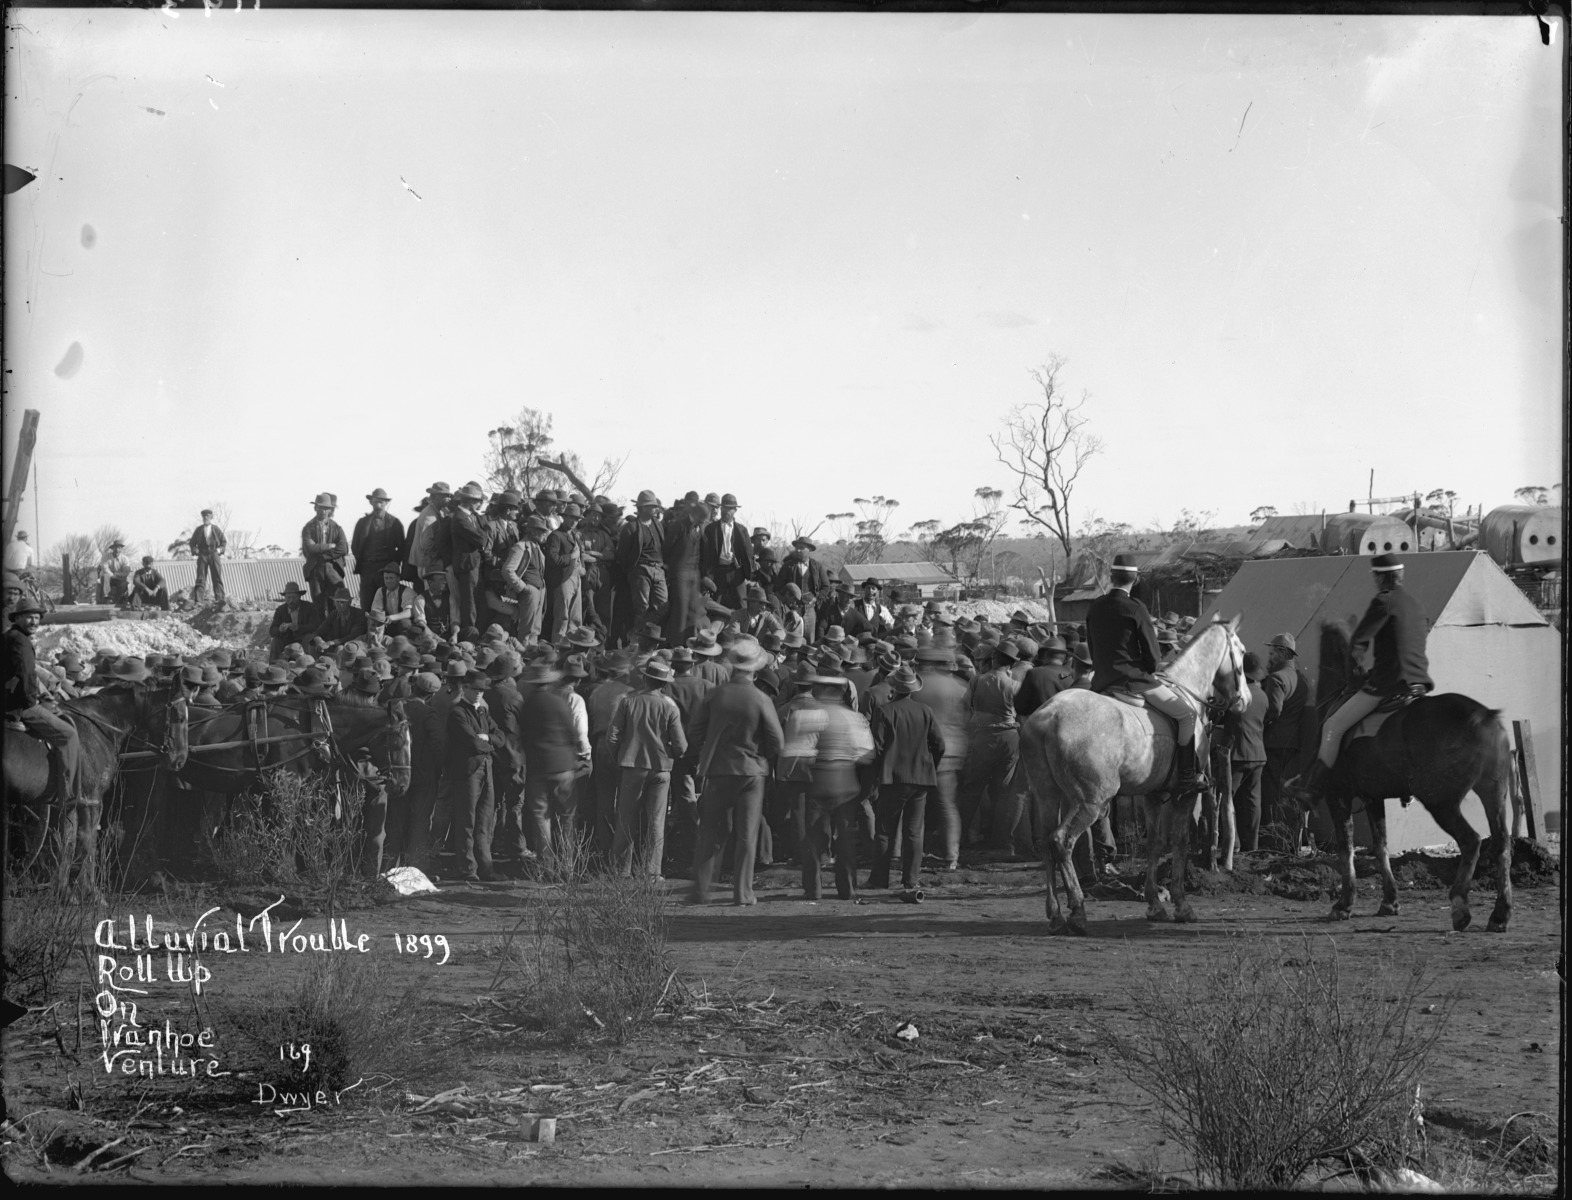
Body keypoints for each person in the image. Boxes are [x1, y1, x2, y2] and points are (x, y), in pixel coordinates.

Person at [1294, 553, 1433, 801]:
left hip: (1388, 685)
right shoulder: (1416, 604)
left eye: (1375, 577)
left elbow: (1358, 644)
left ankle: (1313, 787)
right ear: (1400, 575)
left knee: (1332, 726)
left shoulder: (1383, 601)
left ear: (1380, 578)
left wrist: (1357, 676)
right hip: (1419, 684)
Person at [1086, 553, 1204, 794]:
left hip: (1101, 681)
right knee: (1188, 714)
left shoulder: (1095, 606)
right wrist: (1149, 670)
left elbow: (1091, 646)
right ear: (1136, 579)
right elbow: (1152, 657)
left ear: (1111, 576)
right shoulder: (1136, 608)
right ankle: (1187, 776)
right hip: (1133, 682)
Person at [687, 636, 784, 906]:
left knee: (710, 831)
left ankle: (700, 890)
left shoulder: (714, 695)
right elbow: (777, 742)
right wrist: (760, 754)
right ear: (755, 669)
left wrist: (707, 750)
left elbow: (694, 732)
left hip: (718, 770)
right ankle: (742, 893)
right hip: (751, 771)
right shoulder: (761, 699)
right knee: (746, 835)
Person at [606, 657, 688, 877]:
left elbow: (612, 737)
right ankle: (652, 872)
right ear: (664, 684)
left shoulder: (628, 702)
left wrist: (620, 757)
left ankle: (621, 870)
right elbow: (681, 746)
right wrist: (669, 755)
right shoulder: (669, 707)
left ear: (645, 679)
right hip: (661, 768)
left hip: (633, 765)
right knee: (656, 822)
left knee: (626, 819)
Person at [798, 672, 876, 901]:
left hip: (819, 779)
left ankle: (813, 888)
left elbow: (797, 750)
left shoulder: (810, 716)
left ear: (821, 691)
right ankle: (847, 887)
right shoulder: (854, 718)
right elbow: (867, 754)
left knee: (814, 837)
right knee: (846, 838)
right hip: (845, 781)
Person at [867, 663, 945, 893]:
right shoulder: (925, 711)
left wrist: (874, 777)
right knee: (913, 831)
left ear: (894, 687)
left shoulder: (884, 711)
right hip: (920, 778)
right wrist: (929, 766)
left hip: (893, 778)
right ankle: (910, 880)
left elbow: (877, 748)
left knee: (884, 831)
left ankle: (879, 879)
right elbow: (939, 745)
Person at [4, 597, 81, 807]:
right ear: (17, 618)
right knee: (69, 735)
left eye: (37, 618)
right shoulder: (21, 641)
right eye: (29, 617)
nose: (34, 622)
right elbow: (26, 675)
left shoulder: (9, 637)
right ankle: (69, 794)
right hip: (20, 706)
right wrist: (33, 701)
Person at [518, 659, 581, 861]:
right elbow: (573, 733)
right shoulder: (560, 702)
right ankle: (567, 863)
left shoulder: (528, 704)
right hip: (563, 765)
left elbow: (523, 735)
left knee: (540, 815)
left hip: (538, 765)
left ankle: (546, 863)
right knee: (566, 815)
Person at [445, 668, 501, 882]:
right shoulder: (457, 712)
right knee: (467, 820)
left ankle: (485, 867)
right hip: (468, 771)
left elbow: (501, 737)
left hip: (485, 768)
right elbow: (473, 743)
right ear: (465, 688)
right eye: (475, 689)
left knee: (484, 820)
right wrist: (490, 742)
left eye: (482, 690)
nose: (479, 693)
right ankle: (468, 868)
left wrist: (487, 738)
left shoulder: (482, 711)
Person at [1261, 632, 1315, 845]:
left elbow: (1273, 710)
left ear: (1283, 653)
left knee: (1272, 792)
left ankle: (1275, 839)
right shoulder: (1301, 678)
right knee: (1286, 793)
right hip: (1292, 744)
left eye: (1272, 653)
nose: (1269, 657)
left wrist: (1258, 723)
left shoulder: (1276, 678)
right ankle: (1290, 839)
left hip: (1274, 743)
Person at [1228, 652, 1270, 852]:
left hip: (1238, 753)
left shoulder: (1237, 695)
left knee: (1227, 798)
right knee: (1253, 801)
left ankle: (1233, 843)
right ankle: (1251, 846)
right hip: (1258, 754)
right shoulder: (1263, 696)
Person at [617, 490, 668, 642]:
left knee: (663, 606)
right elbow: (622, 555)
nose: (656, 509)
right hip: (641, 570)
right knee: (641, 608)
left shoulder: (657, 525)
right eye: (652, 506)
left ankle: (638, 633)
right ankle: (637, 642)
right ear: (643, 508)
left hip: (658, 569)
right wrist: (633, 571)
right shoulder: (631, 527)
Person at [351, 488, 407, 612]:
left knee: (387, 601)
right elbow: (355, 546)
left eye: (381, 501)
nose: (378, 504)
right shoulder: (362, 523)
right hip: (367, 569)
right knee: (366, 602)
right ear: (371, 502)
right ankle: (367, 624)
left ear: (386, 503)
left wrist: (393, 564)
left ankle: (388, 624)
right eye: (376, 501)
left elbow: (402, 547)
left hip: (385, 568)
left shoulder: (394, 523)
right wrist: (364, 561)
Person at [446, 482, 488, 641]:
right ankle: (469, 637)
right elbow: (481, 539)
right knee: (469, 603)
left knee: (475, 601)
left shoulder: (470, 517)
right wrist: (483, 533)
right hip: (467, 565)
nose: (480, 504)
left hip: (473, 564)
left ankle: (474, 635)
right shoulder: (459, 518)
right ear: (470, 501)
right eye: (478, 501)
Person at [700, 493, 754, 609]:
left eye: (729, 509)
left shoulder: (742, 530)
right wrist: (707, 574)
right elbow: (705, 554)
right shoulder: (711, 529)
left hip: (736, 573)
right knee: (715, 604)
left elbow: (749, 552)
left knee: (742, 604)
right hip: (718, 572)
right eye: (724, 508)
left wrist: (741, 565)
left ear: (735, 510)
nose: (726, 511)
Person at [301, 493, 350, 617]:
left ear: (330, 510)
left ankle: (336, 627)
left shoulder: (336, 528)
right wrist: (329, 546)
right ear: (315, 508)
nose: (323, 511)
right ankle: (321, 629)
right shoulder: (308, 528)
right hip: (315, 568)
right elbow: (310, 548)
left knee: (337, 602)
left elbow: (343, 548)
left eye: (326, 508)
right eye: (321, 507)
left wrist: (324, 556)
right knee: (318, 604)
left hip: (333, 568)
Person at [544, 502, 586, 643]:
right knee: (562, 616)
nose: (574, 521)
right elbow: (553, 559)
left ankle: (572, 648)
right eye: (571, 518)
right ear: (564, 517)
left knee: (575, 618)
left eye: (577, 519)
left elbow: (580, 553)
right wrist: (571, 557)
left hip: (576, 578)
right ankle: (557, 646)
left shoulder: (575, 535)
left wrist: (582, 567)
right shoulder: (556, 536)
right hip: (563, 579)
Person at [1013, 635, 1075, 718]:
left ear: (1046, 654)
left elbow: (1020, 707)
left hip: (1038, 723)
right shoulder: (1072, 676)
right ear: (1064, 656)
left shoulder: (1035, 673)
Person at [406, 482, 451, 591]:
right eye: (446, 496)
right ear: (437, 497)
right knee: (432, 593)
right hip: (428, 562)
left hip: (428, 561)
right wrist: (439, 558)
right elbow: (427, 543)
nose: (449, 499)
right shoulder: (429, 515)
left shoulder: (436, 512)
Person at [368, 562, 423, 641]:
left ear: (398, 578)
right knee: (373, 622)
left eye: (391, 578)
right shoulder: (380, 591)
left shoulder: (407, 591)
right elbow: (376, 610)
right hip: (387, 624)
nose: (388, 581)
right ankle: (376, 643)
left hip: (403, 625)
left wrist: (392, 617)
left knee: (405, 623)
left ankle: (406, 645)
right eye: (386, 578)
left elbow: (409, 612)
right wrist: (381, 619)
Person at [268, 581, 318, 660]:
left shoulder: (310, 608)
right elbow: (272, 631)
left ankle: (309, 663)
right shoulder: (280, 610)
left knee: (310, 638)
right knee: (275, 641)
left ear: (299, 597)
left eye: (294, 598)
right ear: (285, 598)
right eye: (288, 598)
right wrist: (280, 629)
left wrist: (299, 627)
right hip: (287, 641)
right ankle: (274, 666)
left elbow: (315, 626)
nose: (291, 601)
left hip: (303, 640)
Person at [188, 510, 227, 605]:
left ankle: (220, 600)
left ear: (211, 517)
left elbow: (223, 542)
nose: (206, 518)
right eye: (204, 516)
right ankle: (198, 601)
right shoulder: (198, 530)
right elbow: (192, 543)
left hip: (214, 554)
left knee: (217, 576)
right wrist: (195, 550)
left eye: (208, 516)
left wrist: (219, 550)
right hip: (202, 555)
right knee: (200, 577)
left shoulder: (216, 529)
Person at [99, 540, 134, 607]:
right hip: (109, 577)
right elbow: (105, 568)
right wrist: (113, 575)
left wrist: (118, 575)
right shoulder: (106, 557)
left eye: (119, 548)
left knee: (125, 583)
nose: (117, 550)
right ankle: (107, 596)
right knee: (105, 576)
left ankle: (120, 599)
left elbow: (126, 571)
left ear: (121, 549)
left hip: (119, 578)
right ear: (112, 548)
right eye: (115, 548)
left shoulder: (125, 558)